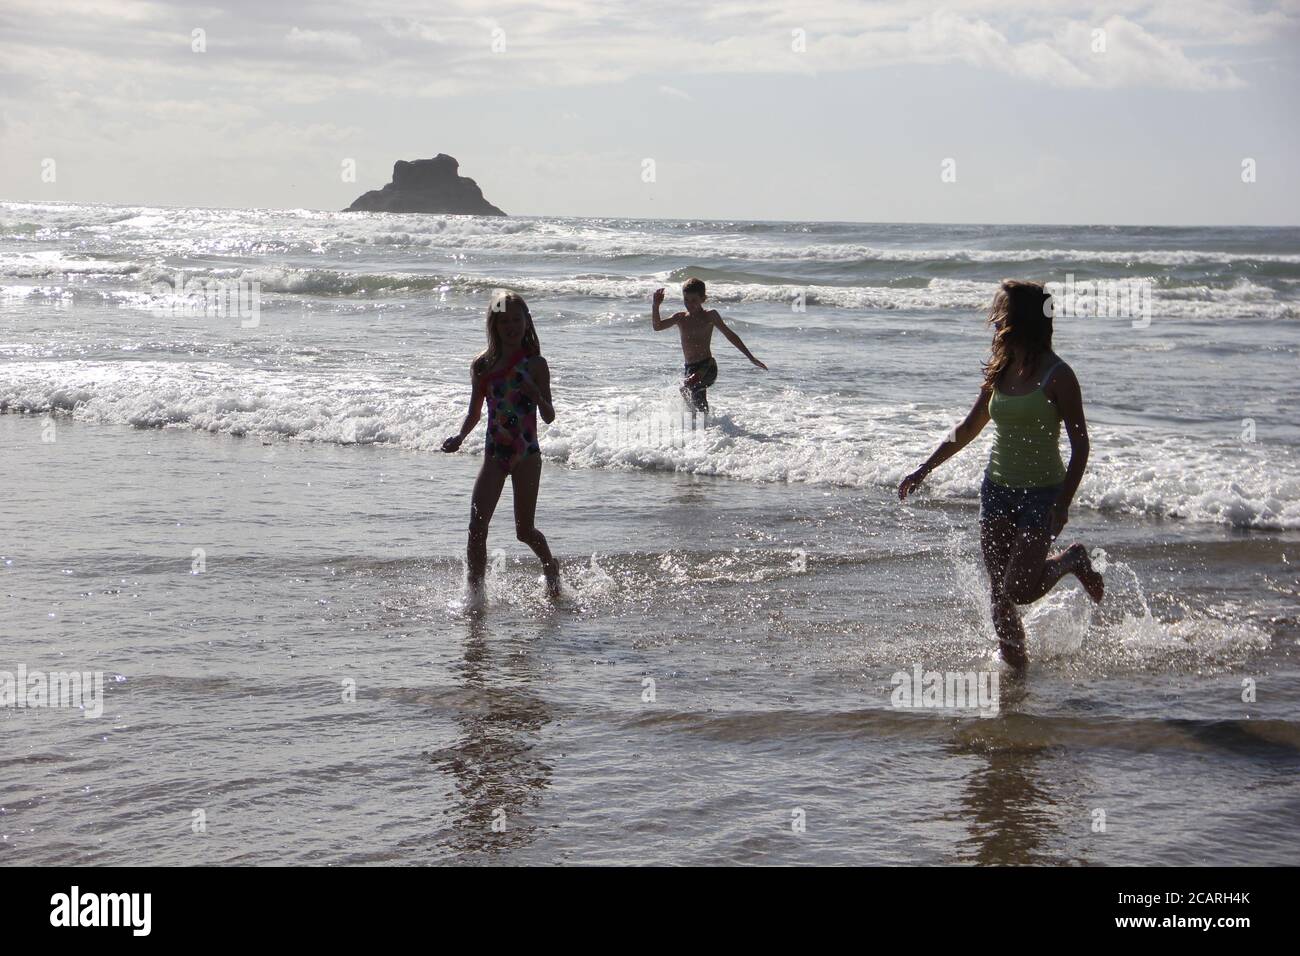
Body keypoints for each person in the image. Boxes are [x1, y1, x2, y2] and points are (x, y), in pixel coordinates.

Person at [898, 279, 1103, 669]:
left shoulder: (1059, 376)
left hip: (1043, 494)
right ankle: (1016, 675)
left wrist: (1062, 504)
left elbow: (1081, 448)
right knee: (1000, 592)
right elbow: (969, 426)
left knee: (1020, 588)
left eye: (1000, 314)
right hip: (997, 491)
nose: (993, 322)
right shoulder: (1000, 369)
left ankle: (1071, 560)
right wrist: (924, 468)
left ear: (1019, 320)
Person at [442, 290, 561, 600]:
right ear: (493, 325)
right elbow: (474, 412)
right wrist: (459, 437)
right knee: (476, 526)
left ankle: (550, 565)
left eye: (516, 320)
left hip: (527, 456)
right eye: (504, 321)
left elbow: (548, 416)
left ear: (527, 322)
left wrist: (534, 391)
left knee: (524, 531)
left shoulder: (536, 364)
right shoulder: (482, 365)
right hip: (494, 456)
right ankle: (475, 592)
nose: (511, 327)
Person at [651, 277, 767, 412]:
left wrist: (750, 357)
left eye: (694, 300)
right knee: (695, 401)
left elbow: (730, 335)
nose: (689, 304)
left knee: (686, 386)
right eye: (686, 300)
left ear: (703, 299)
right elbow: (657, 326)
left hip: (707, 366)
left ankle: (703, 423)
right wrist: (656, 306)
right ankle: (703, 427)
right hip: (690, 368)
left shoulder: (710, 316)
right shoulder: (680, 318)